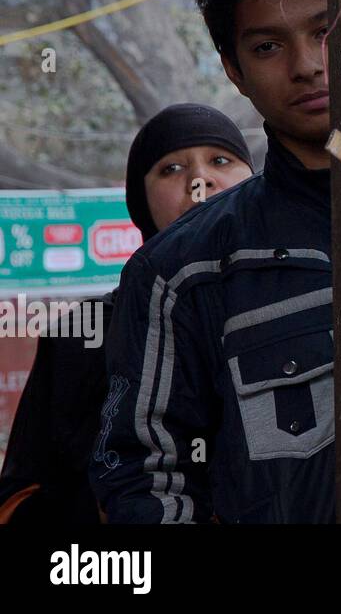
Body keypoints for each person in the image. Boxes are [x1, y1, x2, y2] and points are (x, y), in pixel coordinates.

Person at [90, 0, 336, 523]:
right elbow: (141, 473)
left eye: (327, 32)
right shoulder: (182, 272)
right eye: (268, 47)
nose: (307, 65)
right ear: (233, 69)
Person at [0, 105, 252, 524]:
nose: (199, 180)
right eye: (171, 168)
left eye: (220, 160)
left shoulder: (293, 309)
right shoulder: (86, 332)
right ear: (140, 200)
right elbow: (21, 494)